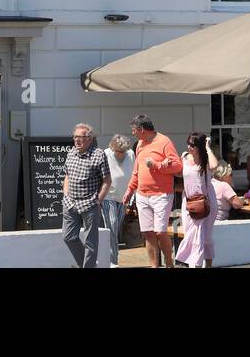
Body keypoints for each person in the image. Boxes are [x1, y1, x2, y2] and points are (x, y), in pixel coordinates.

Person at [120, 113, 182, 268]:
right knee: (147, 232)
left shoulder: (164, 142)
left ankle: (169, 264)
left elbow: (177, 166)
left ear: (142, 129)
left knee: (160, 232)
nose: (133, 132)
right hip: (142, 194)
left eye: (134, 129)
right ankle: (154, 266)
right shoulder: (140, 144)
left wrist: (157, 165)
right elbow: (137, 169)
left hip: (161, 194)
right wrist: (130, 189)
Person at [60, 123, 111, 268]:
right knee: (68, 237)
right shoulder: (71, 152)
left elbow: (107, 180)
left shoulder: (98, 154)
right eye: (75, 137)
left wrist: (98, 200)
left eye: (81, 137)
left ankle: (88, 266)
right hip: (70, 203)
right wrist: (65, 194)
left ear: (89, 139)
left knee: (90, 242)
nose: (77, 140)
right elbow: (67, 175)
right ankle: (88, 265)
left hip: (89, 204)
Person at [174, 133, 218, 268]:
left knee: (205, 236)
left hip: (206, 202)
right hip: (189, 202)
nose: (189, 147)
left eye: (193, 145)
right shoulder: (184, 157)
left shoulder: (205, 161)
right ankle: (191, 262)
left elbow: (214, 166)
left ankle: (201, 265)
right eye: (188, 143)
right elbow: (177, 173)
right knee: (191, 233)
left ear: (199, 146)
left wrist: (208, 147)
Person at [100, 134, 134, 268]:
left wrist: (132, 196)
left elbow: (133, 175)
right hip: (109, 196)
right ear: (112, 148)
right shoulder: (106, 154)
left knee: (115, 229)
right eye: (118, 151)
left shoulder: (130, 154)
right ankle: (112, 261)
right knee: (112, 225)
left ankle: (113, 258)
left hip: (124, 198)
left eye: (123, 151)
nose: (121, 154)